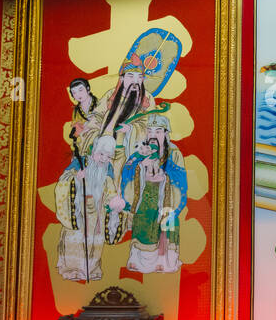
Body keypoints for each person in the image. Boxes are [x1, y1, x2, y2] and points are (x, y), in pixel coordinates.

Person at [108, 115, 186, 273]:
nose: (153, 135)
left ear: (165, 133)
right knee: (143, 221)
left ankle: (165, 261)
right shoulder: (141, 150)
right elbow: (127, 170)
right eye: (150, 131)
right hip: (145, 197)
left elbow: (181, 178)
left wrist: (165, 177)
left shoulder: (174, 153)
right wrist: (140, 168)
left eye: (158, 131)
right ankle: (139, 260)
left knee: (167, 222)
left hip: (167, 198)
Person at [54, 78, 109, 281]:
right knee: (69, 191)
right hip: (82, 159)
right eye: (74, 92)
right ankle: (73, 266)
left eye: (80, 90)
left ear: (87, 89)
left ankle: (91, 267)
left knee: (96, 221)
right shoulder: (76, 112)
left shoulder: (100, 107)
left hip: (100, 158)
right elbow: (76, 139)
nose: (78, 94)